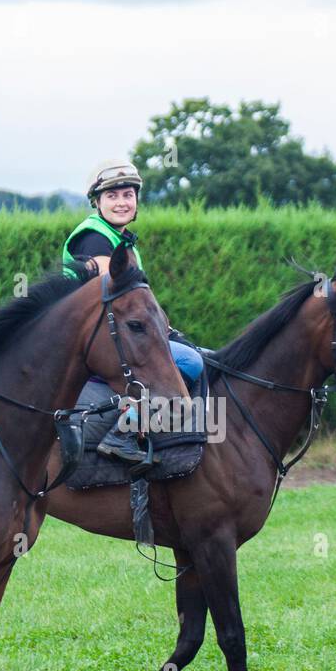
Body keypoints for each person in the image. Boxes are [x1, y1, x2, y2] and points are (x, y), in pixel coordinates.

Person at [62, 159, 203, 461]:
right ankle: (122, 434)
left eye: (128, 195)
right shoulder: (94, 237)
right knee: (190, 361)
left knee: (196, 352)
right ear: (96, 202)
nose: (121, 203)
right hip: (93, 340)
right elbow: (118, 303)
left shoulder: (120, 239)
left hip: (113, 333)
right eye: (112, 196)